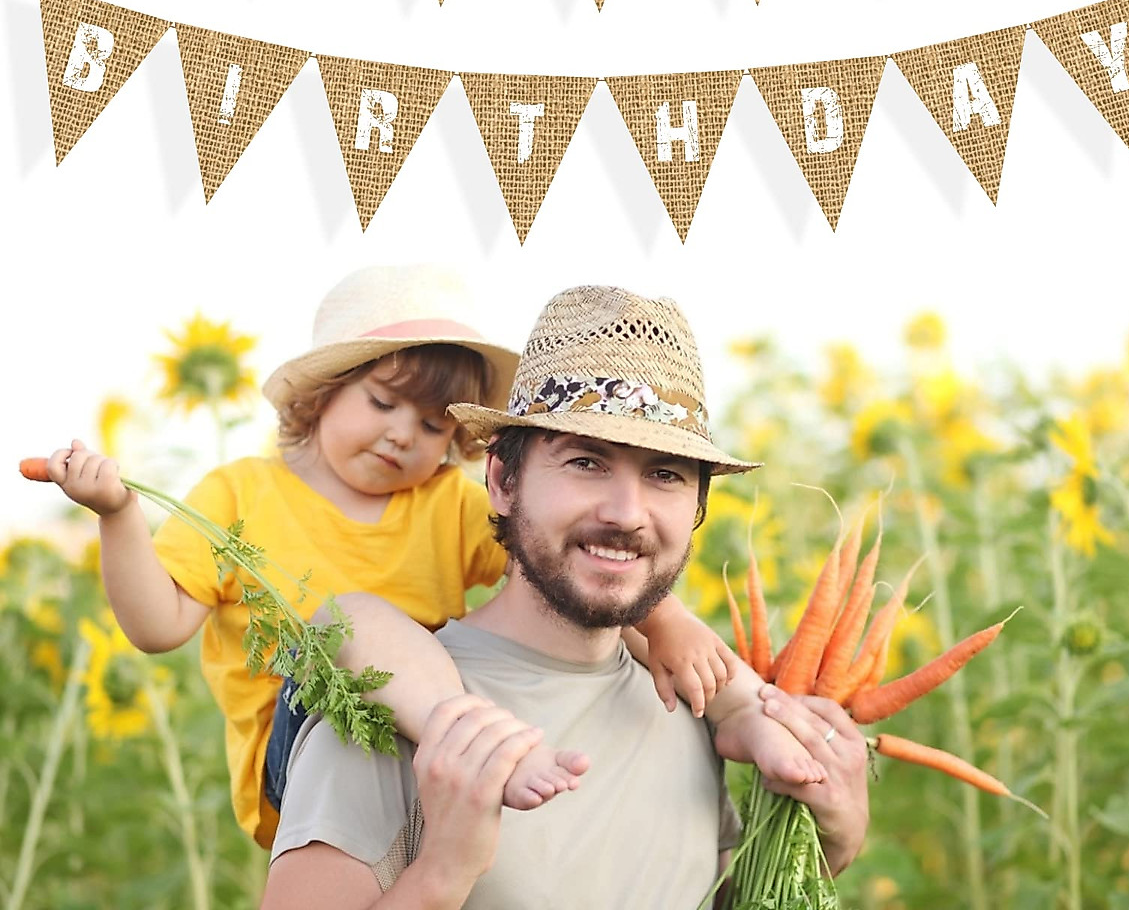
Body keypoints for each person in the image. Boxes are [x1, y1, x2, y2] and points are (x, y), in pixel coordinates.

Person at [43, 265, 749, 848]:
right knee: (357, 621)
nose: (401, 436)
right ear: (321, 397)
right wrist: (117, 516)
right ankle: (487, 745)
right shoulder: (240, 493)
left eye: (432, 425)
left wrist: (665, 622)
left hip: (421, 752)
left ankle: (719, 732)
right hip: (313, 744)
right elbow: (156, 625)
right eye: (383, 403)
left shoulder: (446, 500)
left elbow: (565, 568)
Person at [262, 285, 870, 909]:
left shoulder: (685, 708)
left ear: (696, 506)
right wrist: (443, 873)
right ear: (502, 480)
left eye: (665, 474)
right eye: (586, 462)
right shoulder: (387, 704)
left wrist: (830, 849)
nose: (626, 513)